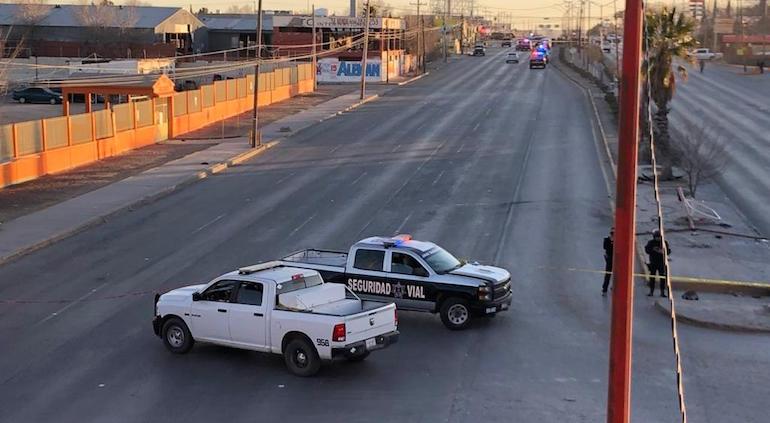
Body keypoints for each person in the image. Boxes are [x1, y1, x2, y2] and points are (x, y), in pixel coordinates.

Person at [645, 230, 671, 297]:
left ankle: (662, 292)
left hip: (661, 263)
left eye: (659, 237)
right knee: (652, 277)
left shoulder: (664, 243)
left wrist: (662, 251)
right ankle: (651, 291)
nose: (658, 238)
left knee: (662, 278)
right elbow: (647, 250)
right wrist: (653, 250)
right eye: (657, 237)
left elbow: (668, 251)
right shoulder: (651, 242)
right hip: (653, 262)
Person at [602, 227, 614, 296]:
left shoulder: (618, 239)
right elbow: (605, 247)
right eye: (612, 233)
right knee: (608, 274)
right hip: (609, 258)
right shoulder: (607, 239)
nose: (613, 235)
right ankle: (604, 288)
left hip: (617, 258)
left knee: (617, 274)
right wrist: (611, 241)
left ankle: (614, 286)